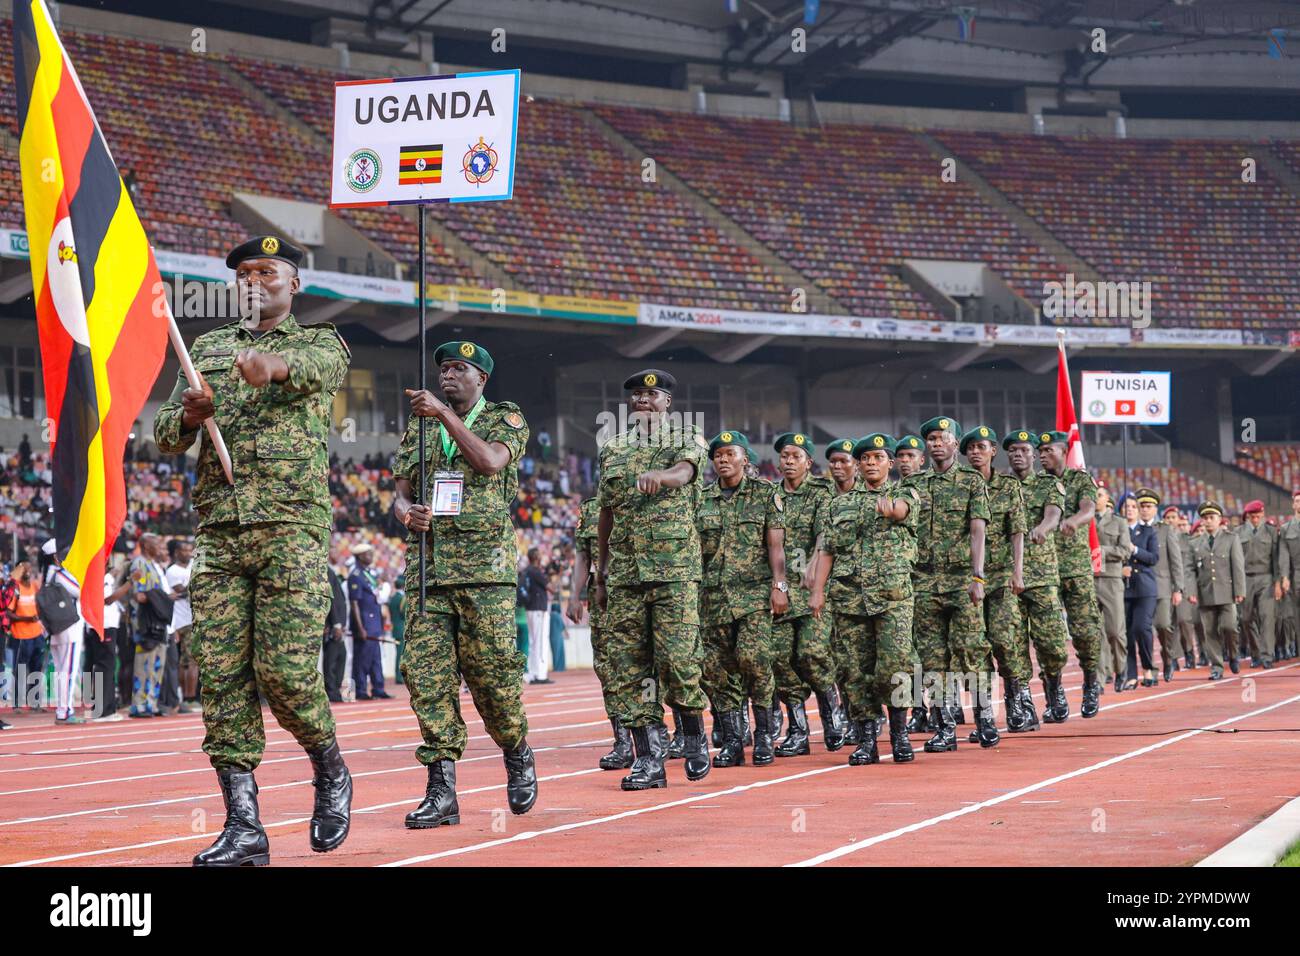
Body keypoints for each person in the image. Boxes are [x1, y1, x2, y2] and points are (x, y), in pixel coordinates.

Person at [154, 234, 353, 865]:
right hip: (219, 530)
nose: (253, 279)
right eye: (242, 272)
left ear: (294, 284)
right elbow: (163, 435)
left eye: (267, 270)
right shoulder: (208, 349)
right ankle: (245, 825)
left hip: (291, 529)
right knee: (223, 677)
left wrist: (273, 368)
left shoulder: (320, 341)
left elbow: (324, 371)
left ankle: (330, 766)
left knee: (286, 672)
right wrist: (190, 415)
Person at [393, 340, 538, 827]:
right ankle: (441, 789)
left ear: (483, 379)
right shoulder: (419, 424)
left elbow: (490, 462)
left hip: (485, 572)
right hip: (429, 571)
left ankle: (516, 751)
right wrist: (405, 512)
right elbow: (399, 491)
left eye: (460, 369)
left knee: (493, 682)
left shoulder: (505, 418)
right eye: (444, 369)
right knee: (427, 680)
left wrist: (442, 416)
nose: (448, 375)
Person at [594, 369, 711, 790]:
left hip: (674, 571)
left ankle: (694, 733)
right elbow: (605, 513)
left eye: (651, 394)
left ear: (667, 402)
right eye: (637, 396)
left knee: (678, 661)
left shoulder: (686, 437)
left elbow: (684, 472)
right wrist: (601, 572)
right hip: (625, 573)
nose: (643, 400)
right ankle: (648, 758)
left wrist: (662, 476)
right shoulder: (613, 450)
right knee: (630, 668)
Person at [816, 433, 919, 764]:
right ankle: (867, 739)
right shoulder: (838, 504)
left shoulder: (907, 492)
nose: (872, 463)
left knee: (896, 665)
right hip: (849, 597)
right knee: (854, 671)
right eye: (866, 459)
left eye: (878, 458)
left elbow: (905, 510)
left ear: (890, 463)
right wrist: (817, 590)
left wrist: (893, 510)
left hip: (893, 597)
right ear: (858, 466)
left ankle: (901, 735)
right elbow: (827, 549)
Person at [696, 430, 787, 767]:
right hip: (713, 598)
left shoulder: (765, 494)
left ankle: (764, 736)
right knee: (717, 671)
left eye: (729, 453)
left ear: (745, 459)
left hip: (752, 594)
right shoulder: (701, 499)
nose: (722, 459)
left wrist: (780, 586)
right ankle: (734, 740)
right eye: (717, 454)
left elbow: (775, 546)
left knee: (753, 660)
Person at [909, 417, 993, 752]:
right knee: (933, 659)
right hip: (925, 581)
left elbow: (977, 530)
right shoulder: (914, 484)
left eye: (942, 438)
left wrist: (977, 575)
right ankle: (944, 727)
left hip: (961, 580)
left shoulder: (971, 481)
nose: (935, 444)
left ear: (955, 444)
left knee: (971, 651)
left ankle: (985, 721)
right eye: (930, 439)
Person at [769, 432, 844, 757]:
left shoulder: (822, 492)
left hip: (813, 589)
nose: (788, 461)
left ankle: (833, 717)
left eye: (795, 456)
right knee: (780, 659)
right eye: (784, 456)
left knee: (812, 654)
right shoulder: (770, 496)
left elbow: (825, 534)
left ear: (808, 463)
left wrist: (816, 582)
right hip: (782, 591)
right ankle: (798, 729)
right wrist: (778, 586)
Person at [960, 426, 1028, 738]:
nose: (976, 452)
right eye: (971, 447)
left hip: (1000, 577)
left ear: (992, 451)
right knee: (974, 648)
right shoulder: (958, 487)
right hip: (967, 581)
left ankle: (1017, 703)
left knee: (1004, 640)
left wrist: (1018, 572)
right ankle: (985, 717)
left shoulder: (1008, 486)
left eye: (981, 447)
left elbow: (1017, 531)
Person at [1004, 429, 1070, 728]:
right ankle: (1023, 704)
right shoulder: (999, 487)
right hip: (1006, 576)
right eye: (1013, 451)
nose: (1018, 455)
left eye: (1024, 450)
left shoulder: (1048, 484)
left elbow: (1054, 513)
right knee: (1012, 644)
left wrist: (1044, 527)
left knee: (1052, 643)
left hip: (1041, 575)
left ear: (1034, 455)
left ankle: (1054, 688)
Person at [1037, 430, 1103, 717]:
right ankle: (1055, 695)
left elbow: (1089, 509)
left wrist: (1074, 521)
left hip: (1075, 568)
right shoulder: (1037, 484)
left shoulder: (1079, 480)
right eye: (1039, 451)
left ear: (1064, 451)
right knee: (1048, 636)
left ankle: (1090, 683)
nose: (1042, 455)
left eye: (1048, 450)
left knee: (1085, 630)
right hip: (1045, 570)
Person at [1188, 502, 1245, 680]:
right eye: (1205, 518)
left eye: (1212, 517)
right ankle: (1217, 666)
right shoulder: (1195, 543)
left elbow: (1237, 566)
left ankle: (1233, 654)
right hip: (1206, 593)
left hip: (1227, 592)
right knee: (1210, 632)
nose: (1208, 521)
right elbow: (1190, 570)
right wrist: (1191, 591)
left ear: (1220, 519)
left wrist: (1240, 589)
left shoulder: (1231, 539)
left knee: (1229, 626)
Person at [1139, 490, 1185, 682]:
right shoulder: (1132, 529)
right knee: (1143, 630)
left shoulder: (1165, 530)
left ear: (1155, 509)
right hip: (1140, 587)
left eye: (1149, 506)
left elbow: (1176, 561)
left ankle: (1168, 659)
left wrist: (1178, 588)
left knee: (1164, 625)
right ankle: (1150, 669)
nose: (1145, 510)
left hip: (1162, 587)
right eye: (1142, 506)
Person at [41, 541, 87, 724]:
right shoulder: (60, 574)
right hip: (69, 627)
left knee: (62, 671)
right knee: (68, 670)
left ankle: (63, 709)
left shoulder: (47, 575)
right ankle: (64, 711)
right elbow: (81, 591)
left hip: (55, 628)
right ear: (56, 557)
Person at [129, 535, 173, 719]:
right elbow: (139, 595)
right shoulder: (139, 564)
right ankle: (138, 705)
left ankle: (151, 702)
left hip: (158, 621)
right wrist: (161, 598)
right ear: (146, 546)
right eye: (156, 544)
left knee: (157, 665)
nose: (159, 548)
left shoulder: (155, 565)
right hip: (144, 623)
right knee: (143, 664)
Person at [1120, 493, 1159, 689]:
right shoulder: (1116, 531)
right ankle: (1132, 674)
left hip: (1144, 586)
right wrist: (1119, 569)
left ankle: (1148, 667)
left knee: (1141, 628)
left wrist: (1134, 550)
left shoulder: (1148, 532)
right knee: (1126, 632)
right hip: (1123, 588)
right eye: (1126, 507)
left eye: (1134, 507)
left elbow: (1153, 558)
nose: (1130, 510)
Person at [1093, 485, 1129, 693]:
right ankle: (1099, 678)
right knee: (1095, 633)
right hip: (1089, 578)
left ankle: (1120, 669)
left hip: (1111, 579)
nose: (1095, 499)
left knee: (1115, 631)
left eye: (1099, 495)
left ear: (1107, 498)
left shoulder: (1118, 522)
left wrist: (1100, 550)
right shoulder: (1085, 521)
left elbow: (1124, 550)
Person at [1237, 500, 1280, 669]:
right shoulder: (1238, 533)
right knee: (1246, 619)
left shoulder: (1271, 532)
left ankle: (1267, 655)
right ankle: (1255, 653)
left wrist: (1277, 582)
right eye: (1252, 517)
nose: (1255, 519)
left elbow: (1276, 559)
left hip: (1266, 577)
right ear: (1247, 516)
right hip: (1246, 579)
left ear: (1263, 515)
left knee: (1267, 617)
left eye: (1258, 516)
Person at [348, 543, 390, 700]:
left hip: (374, 622)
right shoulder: (356, 575)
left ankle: (378, 688)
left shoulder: (369, 574)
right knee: (362, 659)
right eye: (367, 553)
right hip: (364, 623)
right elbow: (354, 604)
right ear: (359, 556)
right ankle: (360, 690)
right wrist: (360, 627)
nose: (371, 556)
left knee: (375, 658)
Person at [6, 562, 43, 714]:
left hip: (37, 634)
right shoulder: (15, 589)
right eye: (24, 568)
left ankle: (34, 703)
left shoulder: (34, 586)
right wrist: (26, 619)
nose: (28, 570)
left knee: (36, 668)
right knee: (20, 670)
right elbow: (8, 612)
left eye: (29, 568)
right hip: (21, 635)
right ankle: (16, 704)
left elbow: (39, 605)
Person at [164, 539, 196, 714]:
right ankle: (188, 698)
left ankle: (188, 698)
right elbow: (182, 590)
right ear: (177, 552)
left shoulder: (192, 566)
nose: (188, 553)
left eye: (190, 550)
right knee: (188, 662)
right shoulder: (173, 571)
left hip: (192, 618)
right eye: (184, 550)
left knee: (189, 661)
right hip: (181, 620)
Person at [522, 548, 553, 684]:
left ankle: (533, 673)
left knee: (533, 641)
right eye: (540, 554)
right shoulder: (535, 571)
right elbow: (552, 588)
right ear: (536, 557)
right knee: (540, 642)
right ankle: (540, 675)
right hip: (539, 609)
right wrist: (556, 575)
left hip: (530, 608)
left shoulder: (527, 570)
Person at [1278, 491, 1300, 662]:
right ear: (1293, 504)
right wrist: (1284, 576)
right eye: (1297, 501)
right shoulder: (1286, 529)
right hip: (1296, 576)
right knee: (1296, 615)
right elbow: (1284, 555)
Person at [323, 563, 348, 703]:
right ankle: (331, 692)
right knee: (331, 661)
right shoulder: (326, 570)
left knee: (340, 658)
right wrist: (335, 624)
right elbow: (330, 599)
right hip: (332, 626)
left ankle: (335, 691)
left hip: (337, 624)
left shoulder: (330, 570)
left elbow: (338, 600)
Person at [387, 579, 407, 684]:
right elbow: (405, 614)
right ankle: (399, 677)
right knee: (401, 655)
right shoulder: (402, 598)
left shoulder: (393, 598)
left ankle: (398, 675)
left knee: (398, 654)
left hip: (395, 628)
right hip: (402, 629)